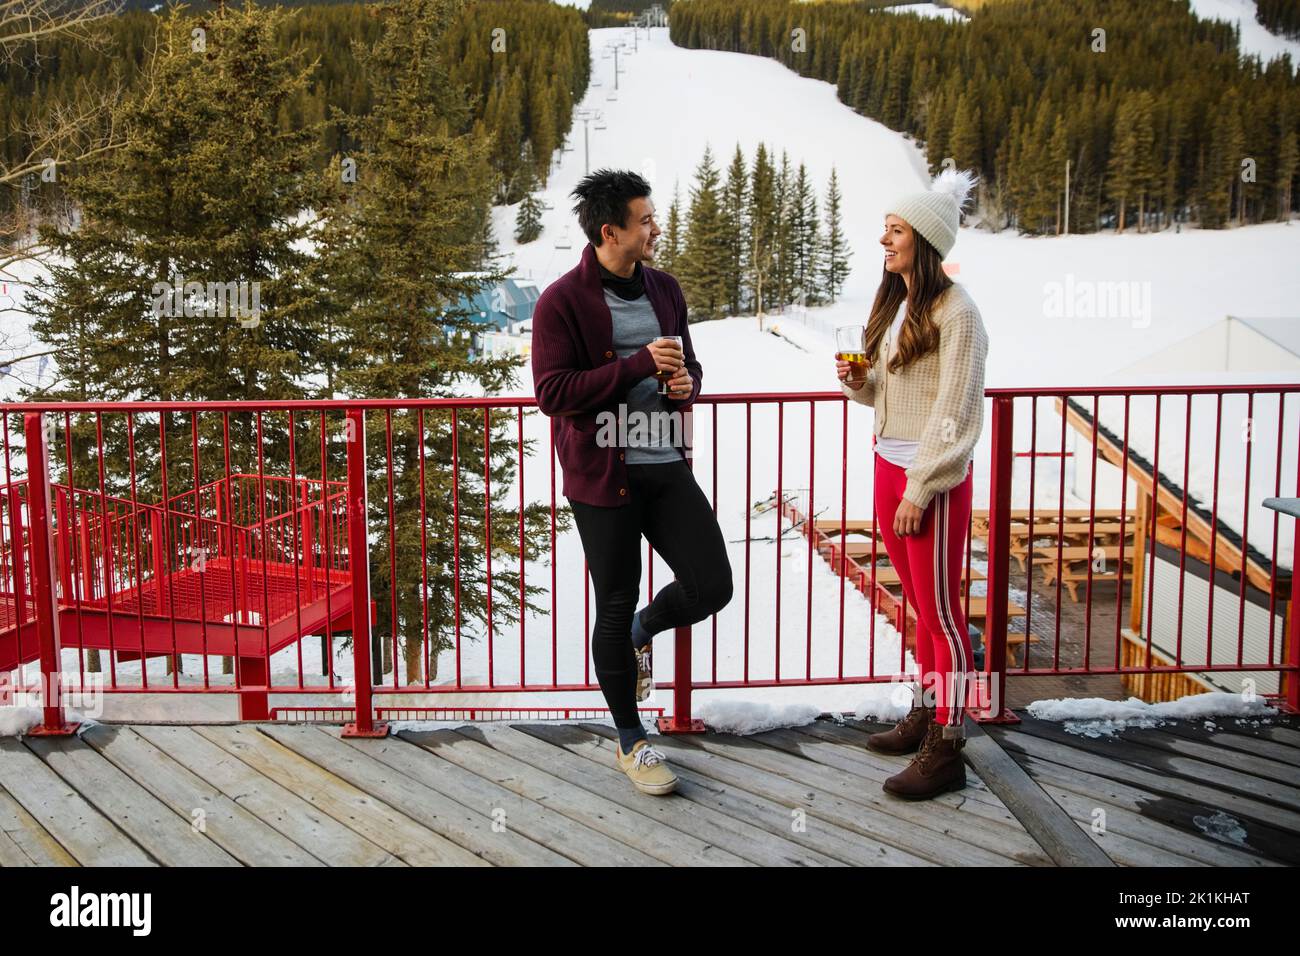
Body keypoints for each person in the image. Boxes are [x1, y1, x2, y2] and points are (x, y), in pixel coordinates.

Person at [531, 169, 734, 796]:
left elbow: (691, 365)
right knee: (613, 603)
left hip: (666, 464)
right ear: (609, 230)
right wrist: (635, 366)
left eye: (653, 217)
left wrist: (684, 385)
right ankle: (632, 739)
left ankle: (648, 629)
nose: (655, 229)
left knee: (712, 585)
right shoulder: (560, 301)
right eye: (645, 221)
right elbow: (552, 393)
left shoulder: (666, 291)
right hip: (601, 474)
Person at [835, 168, 989, 800]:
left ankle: (949, 744)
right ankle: (928, 712)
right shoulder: (904, 306)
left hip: (928, 482)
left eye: (894, 231)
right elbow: (897, 396)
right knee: (920, 612)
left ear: (924, 240)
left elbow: (956, 411)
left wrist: (920, 488)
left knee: (944, 616)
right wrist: (860, 385)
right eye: (884, 231)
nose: (884, 241)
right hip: (888, 465)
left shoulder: (960, 313)